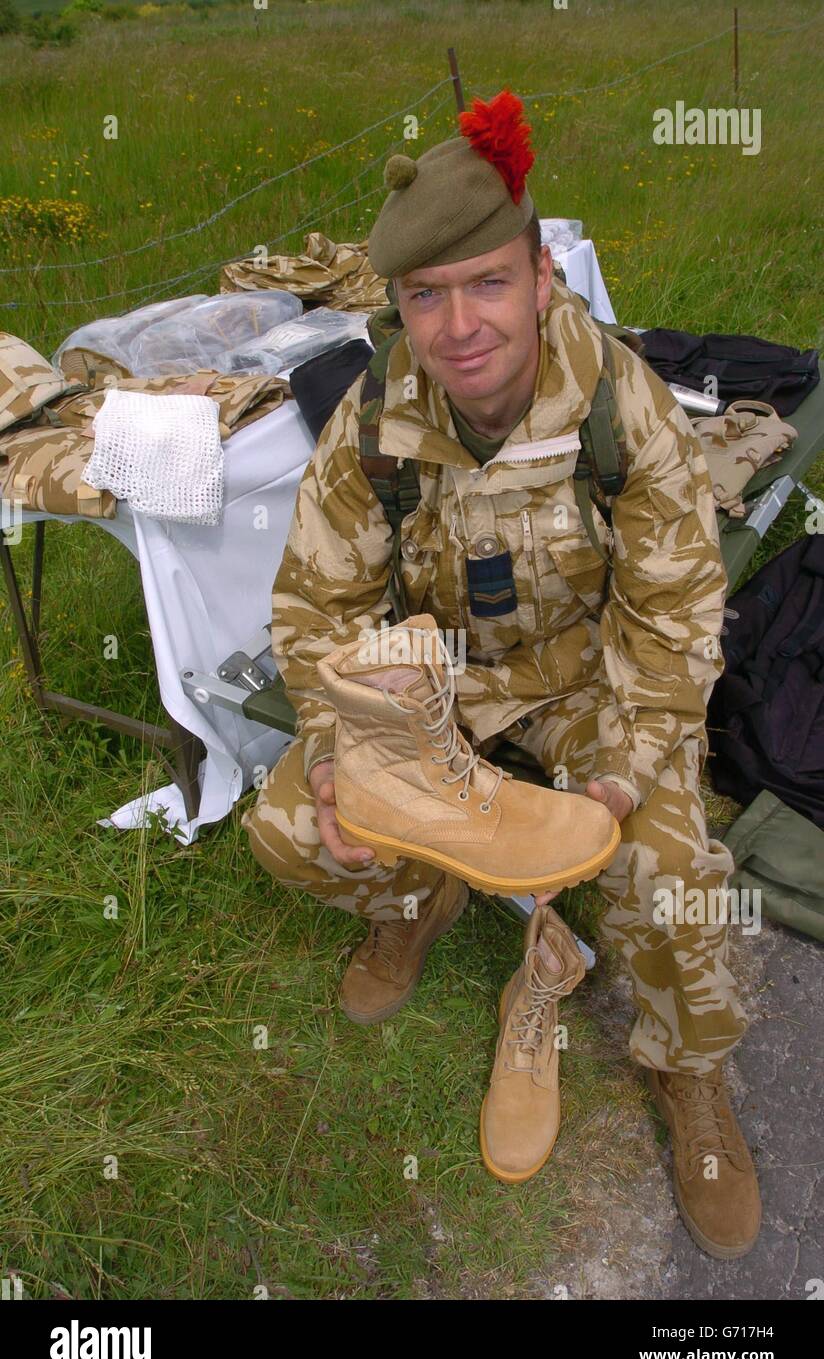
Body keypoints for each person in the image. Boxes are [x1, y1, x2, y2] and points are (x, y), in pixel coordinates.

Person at [242, 89, 761, 1259]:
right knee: (292, 829)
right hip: (445, 688)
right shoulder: (377, 416)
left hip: (594, 682)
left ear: (539, 276)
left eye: (484, 283)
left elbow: (674, 619)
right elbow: (314, 607)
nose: (459, 323)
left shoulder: (620, 409)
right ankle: (419, 897)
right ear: (399, 308)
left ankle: (689, 1077)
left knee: (670, 875)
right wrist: (342, 755)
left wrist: (618, 786)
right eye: (425, 296)